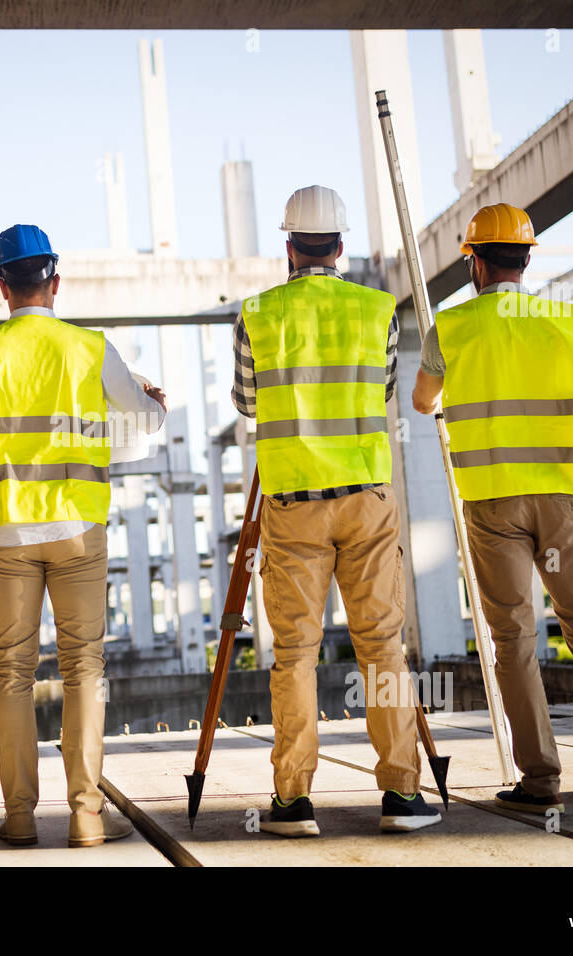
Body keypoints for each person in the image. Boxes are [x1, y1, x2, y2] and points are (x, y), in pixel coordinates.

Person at [0, 224, 167, 847]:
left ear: (1, 287)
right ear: (54, 282)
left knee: (12, 672)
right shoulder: (90, 347)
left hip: (7, 531)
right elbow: (142, 422)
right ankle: (86, 816)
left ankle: (19, 818)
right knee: (85, 669)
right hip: (76, 529)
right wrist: (150, 401)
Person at [411, 202, 573, 813]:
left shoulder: (450, 328)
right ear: (528, 258)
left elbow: (422, 402)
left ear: (474, 262)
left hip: (491, 503)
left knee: (512, 638)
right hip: (561, 498)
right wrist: (566, 419)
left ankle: (540, 780)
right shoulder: (568, 323)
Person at [233, 186, 441, 835]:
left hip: (294, 501)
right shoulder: (377, 309)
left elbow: (248, 403)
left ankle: (293, 800)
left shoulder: (257, 314)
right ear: (341, 246)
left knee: (294, 652)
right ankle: (401, 796)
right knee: (382, 646)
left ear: (289, 246)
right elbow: (380, 391)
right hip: (366, 497)